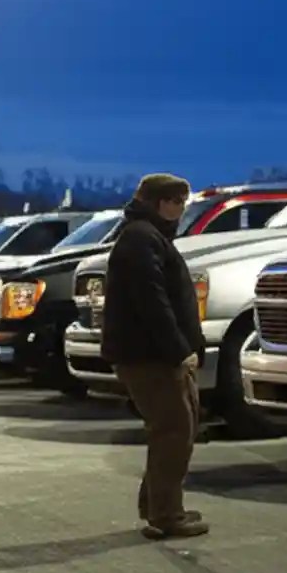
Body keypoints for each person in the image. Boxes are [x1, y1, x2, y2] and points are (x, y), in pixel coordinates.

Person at [102, 173, 208, 540]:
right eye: (178, 201)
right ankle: (166, 514)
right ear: (160, 202)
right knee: (174, 430)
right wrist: (178, 350)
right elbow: (152, 302)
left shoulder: (147, 236)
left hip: (154, 353)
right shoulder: (140, 238)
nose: (181, 209)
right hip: (150, 356)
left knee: (178, 426)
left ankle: (159, 506)